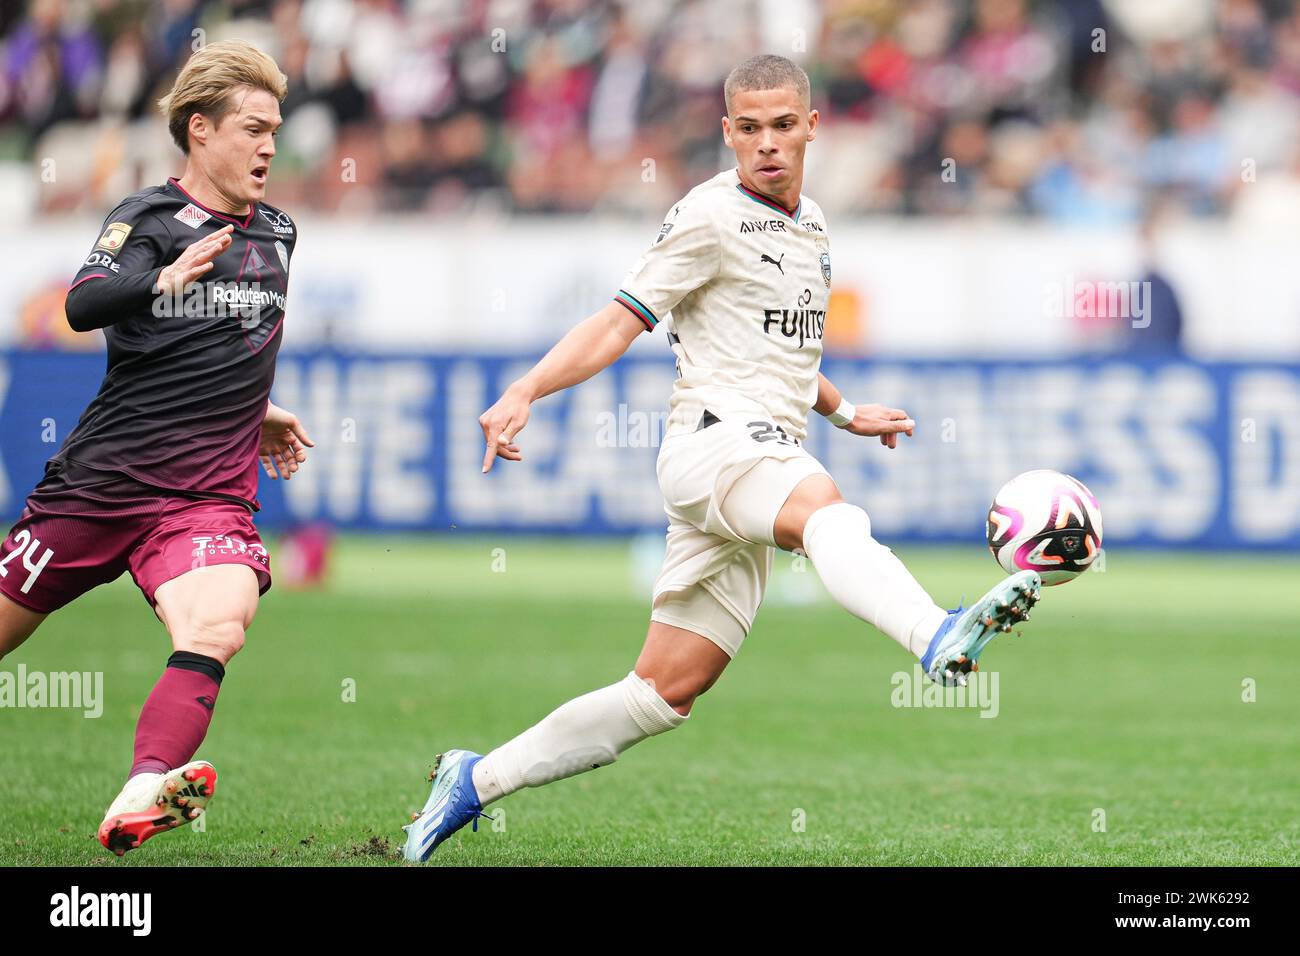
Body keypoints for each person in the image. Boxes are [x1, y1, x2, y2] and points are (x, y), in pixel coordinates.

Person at [401, 54, 1041, 862]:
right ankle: (932, 632)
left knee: (664, 692)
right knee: (825, 510)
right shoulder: (707, 215)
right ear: (728, 132)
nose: (767, 144)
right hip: (716, 443)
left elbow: (778, 350)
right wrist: (527, 389)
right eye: (750, 128)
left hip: (757, 454)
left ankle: (473, 779)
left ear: (813, 126)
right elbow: (618, 321)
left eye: (783, 126)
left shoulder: (811, 225)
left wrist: (844, 412)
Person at [0, 40, 313, 856]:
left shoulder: (279, 232)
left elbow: (233, 339)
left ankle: (145, 787)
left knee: (217, 625)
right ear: (199, 130)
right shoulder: (144, 219)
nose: (269, 146)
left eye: (275, 128)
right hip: (101, 487)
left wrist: (264, 410)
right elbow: (83, 303)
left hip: (205, 497)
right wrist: (161, 280)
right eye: (252, 128)